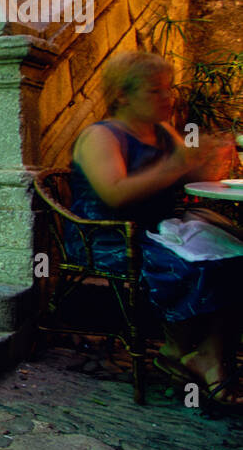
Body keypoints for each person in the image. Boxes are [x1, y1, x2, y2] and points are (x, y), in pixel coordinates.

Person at [69, 51, 243, 412]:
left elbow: (186, 176)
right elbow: (115, 194)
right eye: (156, 91)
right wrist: (176, 165)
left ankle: (208, 354)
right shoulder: (101, 136)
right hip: (111, 236)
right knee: (197, 265)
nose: (168, 99)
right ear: (122, 96)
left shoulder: (161, 131)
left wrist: (207, 162)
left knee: (235, 252)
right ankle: (177, 351)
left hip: (159, 227)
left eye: (168, 90)